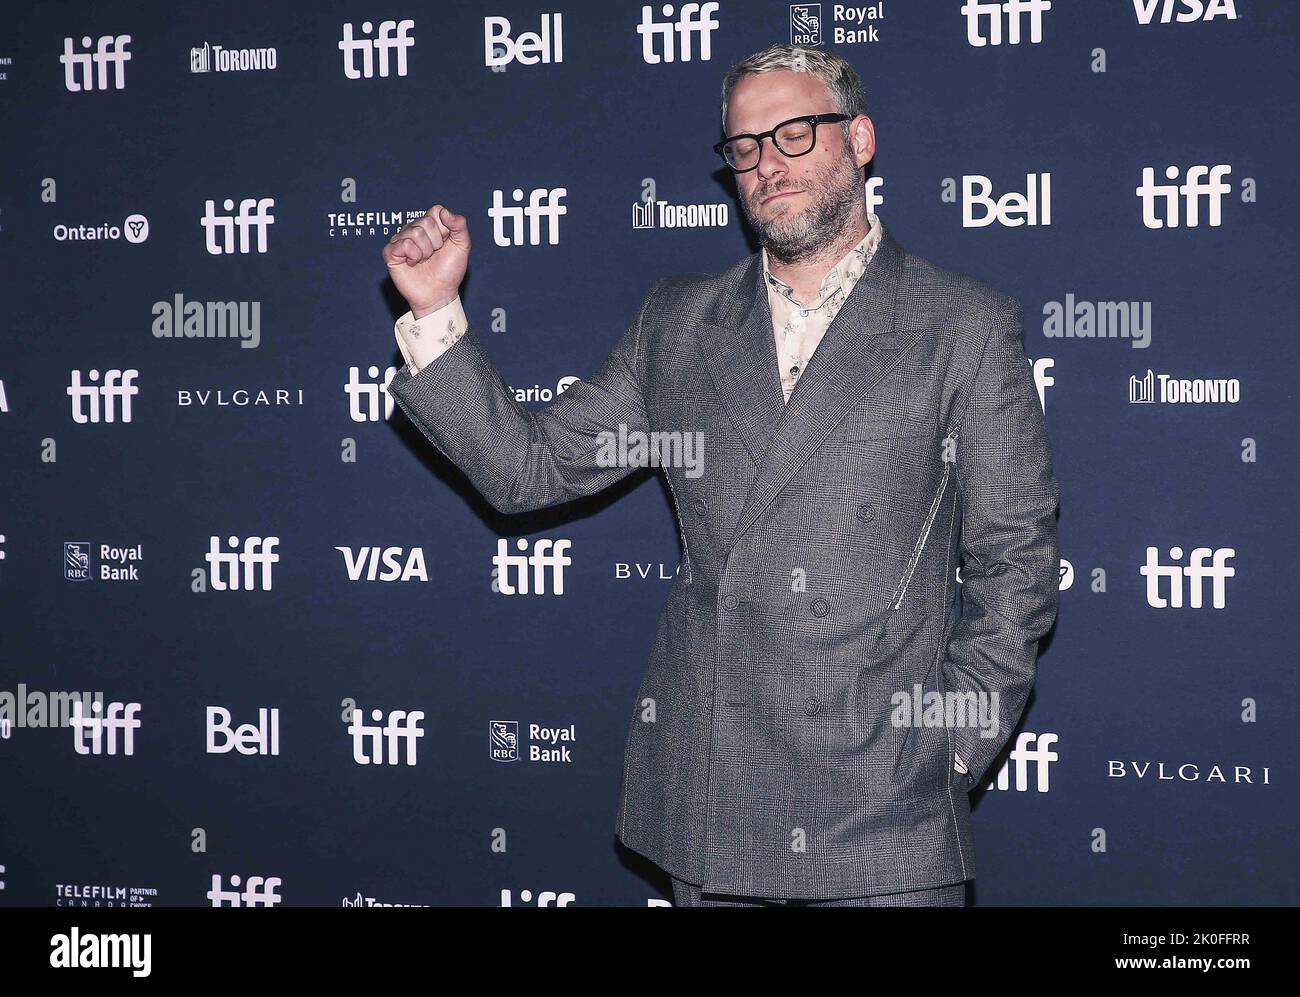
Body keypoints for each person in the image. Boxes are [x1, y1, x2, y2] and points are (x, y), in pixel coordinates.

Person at [380, 43, 1060, 907]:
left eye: (794, 134)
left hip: (884, 813)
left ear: (859, 139)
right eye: (745, 147)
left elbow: (1015, 565)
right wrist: (437, 310)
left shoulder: (961, 325)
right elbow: (530, 469)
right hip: (713, 799)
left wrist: (949, 748)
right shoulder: (678, 323)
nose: (767, 163)